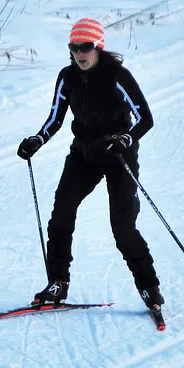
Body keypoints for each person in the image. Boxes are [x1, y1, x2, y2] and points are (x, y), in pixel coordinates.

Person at [16, 17, 163, 318]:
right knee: (61, 215)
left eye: (86, 47)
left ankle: (149, 288)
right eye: (74, 47)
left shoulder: (118, 76)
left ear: (98, 47)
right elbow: (55, 118)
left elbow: (144, 118)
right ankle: (57, 282)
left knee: (122, 228)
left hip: (118, 157)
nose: (80, 53)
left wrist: (126, 138)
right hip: (83, 155)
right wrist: (37, 139)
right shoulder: (67, 77)